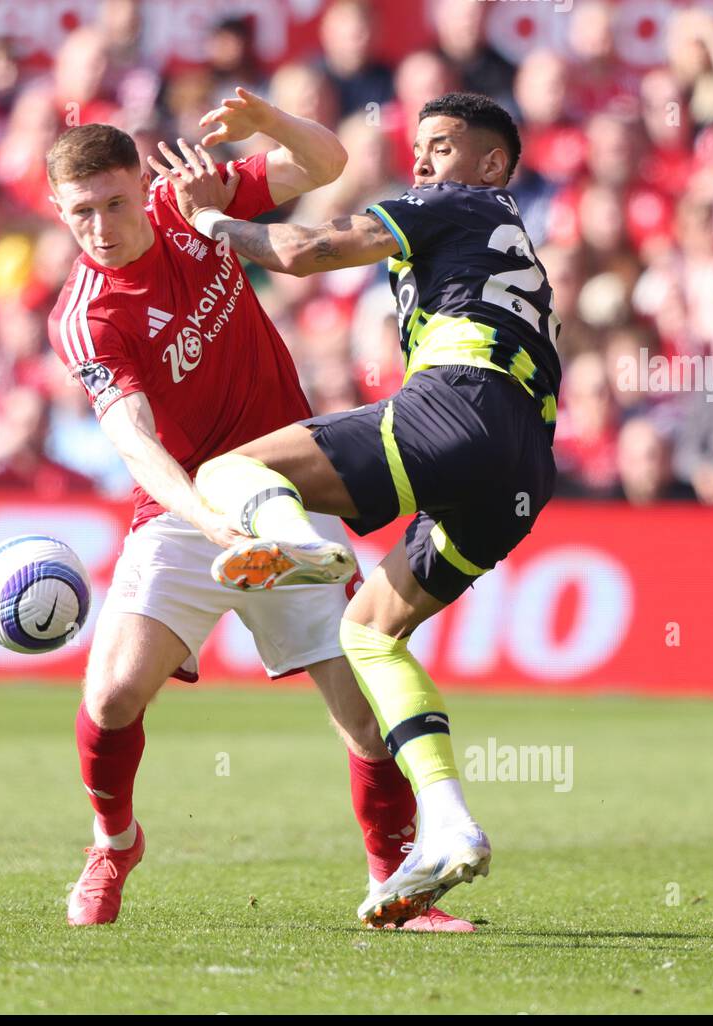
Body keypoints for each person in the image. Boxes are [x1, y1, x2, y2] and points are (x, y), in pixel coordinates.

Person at [45, 94, 472, 933]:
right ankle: (113, 842)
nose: (100, 227)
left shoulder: (184, 202)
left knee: (361, 709)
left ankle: (399, 886)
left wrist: (267, 121)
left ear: (141, 184)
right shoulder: (87, 319)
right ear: (60, 214)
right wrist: (214, 527)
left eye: (114, 203)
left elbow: (327, 166)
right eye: (80, 214)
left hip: (289, 485)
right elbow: (136, 446)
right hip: (183, 509)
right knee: (115, 694)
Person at [151, 92, 560, 926]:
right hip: (524, 462)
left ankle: (306, 548)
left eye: (442, 146)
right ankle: (447, 825)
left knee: (230, 471)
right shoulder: (499, 236)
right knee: (369, 632)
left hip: (461, 401)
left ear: (491, 164)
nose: (422, 161)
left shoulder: (455, 203)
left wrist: (210, 219)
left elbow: (301, 251)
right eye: (418, 147)